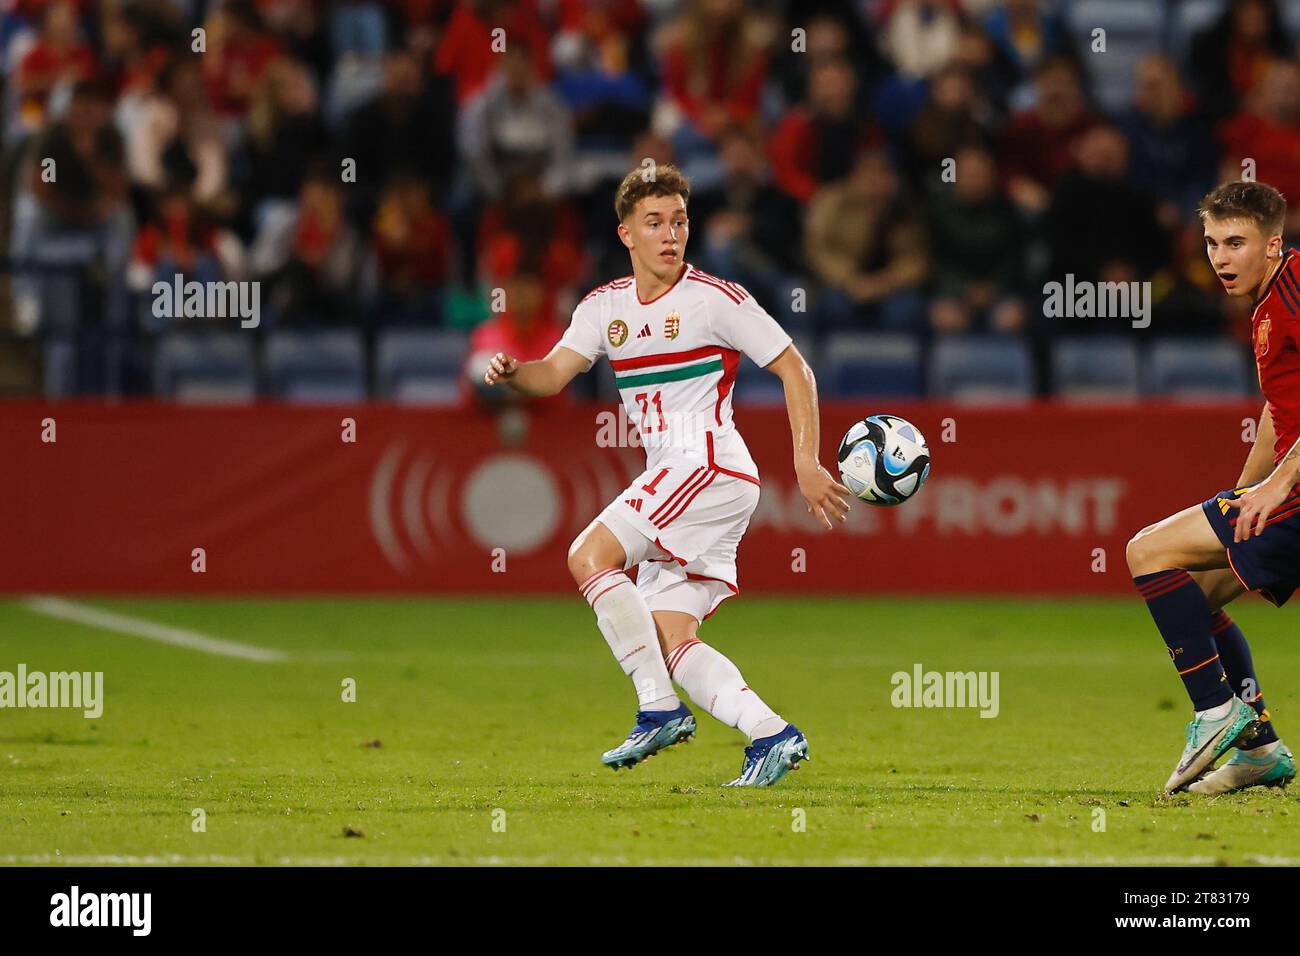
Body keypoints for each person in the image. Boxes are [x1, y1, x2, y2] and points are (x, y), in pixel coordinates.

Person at [481, 163, 850, 786]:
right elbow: (553, 374)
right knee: (669, 638)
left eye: (678, 221)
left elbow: (796, 369)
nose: (670, 234)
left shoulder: (716, 299)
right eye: (654, 223)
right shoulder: (604, 308)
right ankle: (772, 735)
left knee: (588, 556)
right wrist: (516, 373)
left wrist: (806, 461)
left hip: (705, 463)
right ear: (626, 234)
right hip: (696, 477)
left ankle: (657, 709)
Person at [1126, 181, 1297, 795]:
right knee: (1198, 593)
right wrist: (1245, 493)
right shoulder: (1268, 300)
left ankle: (1216, 710)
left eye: (1235, 243)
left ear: (1272, 244)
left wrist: (1278, 485)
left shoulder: (1295, 292)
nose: (1220, 258)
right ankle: (1259, 750)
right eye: (1211, 243)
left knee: (1147, 551)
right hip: (1289, 489)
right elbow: (1281, 410)